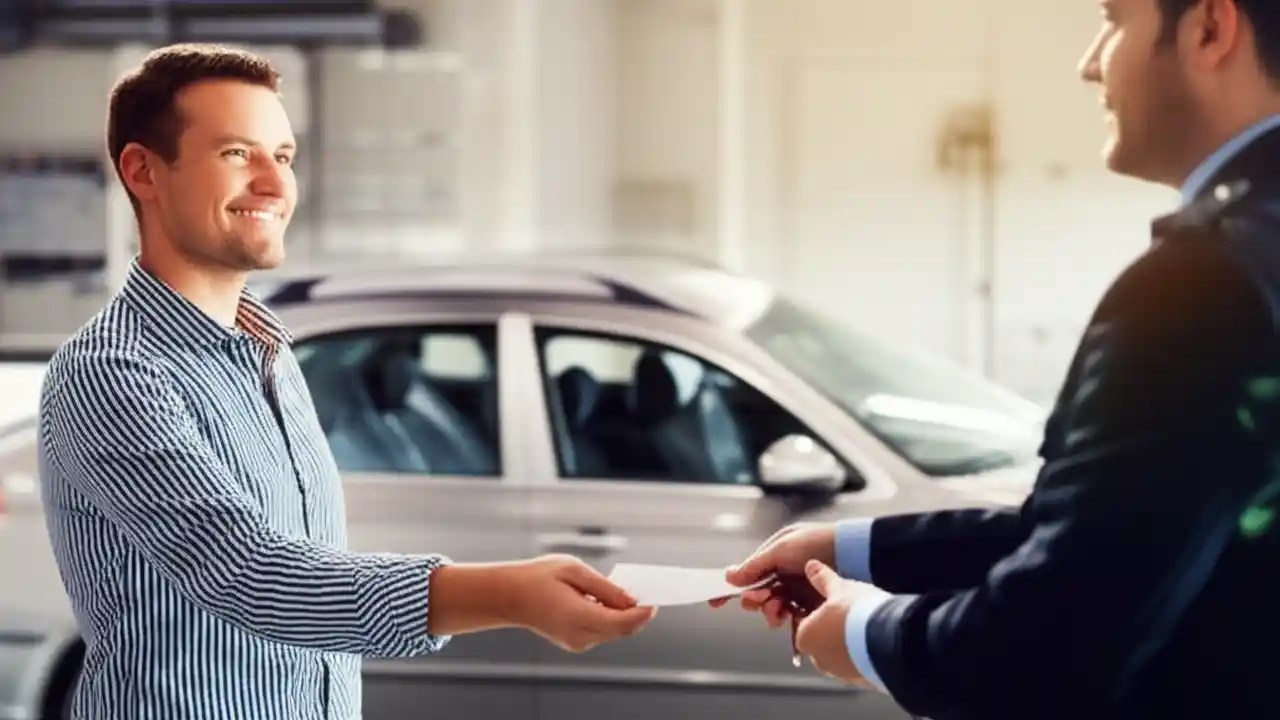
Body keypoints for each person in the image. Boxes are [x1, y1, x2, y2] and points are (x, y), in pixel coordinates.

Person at [36, 43, 655, 719]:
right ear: (142, 171)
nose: (275, 184)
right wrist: (506, 594)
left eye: (285, 155)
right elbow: (252, 572)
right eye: (237, 154)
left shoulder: (269, 352)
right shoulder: (111, 373)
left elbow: (311, 593)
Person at [715, 0, 1280, 717]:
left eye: (1113, 19)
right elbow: (1106, 528)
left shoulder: (1202, 279)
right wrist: (850, 549)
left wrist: (864, 633)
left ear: (1208, 27)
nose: (1088, 62)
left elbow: (1048, 641)